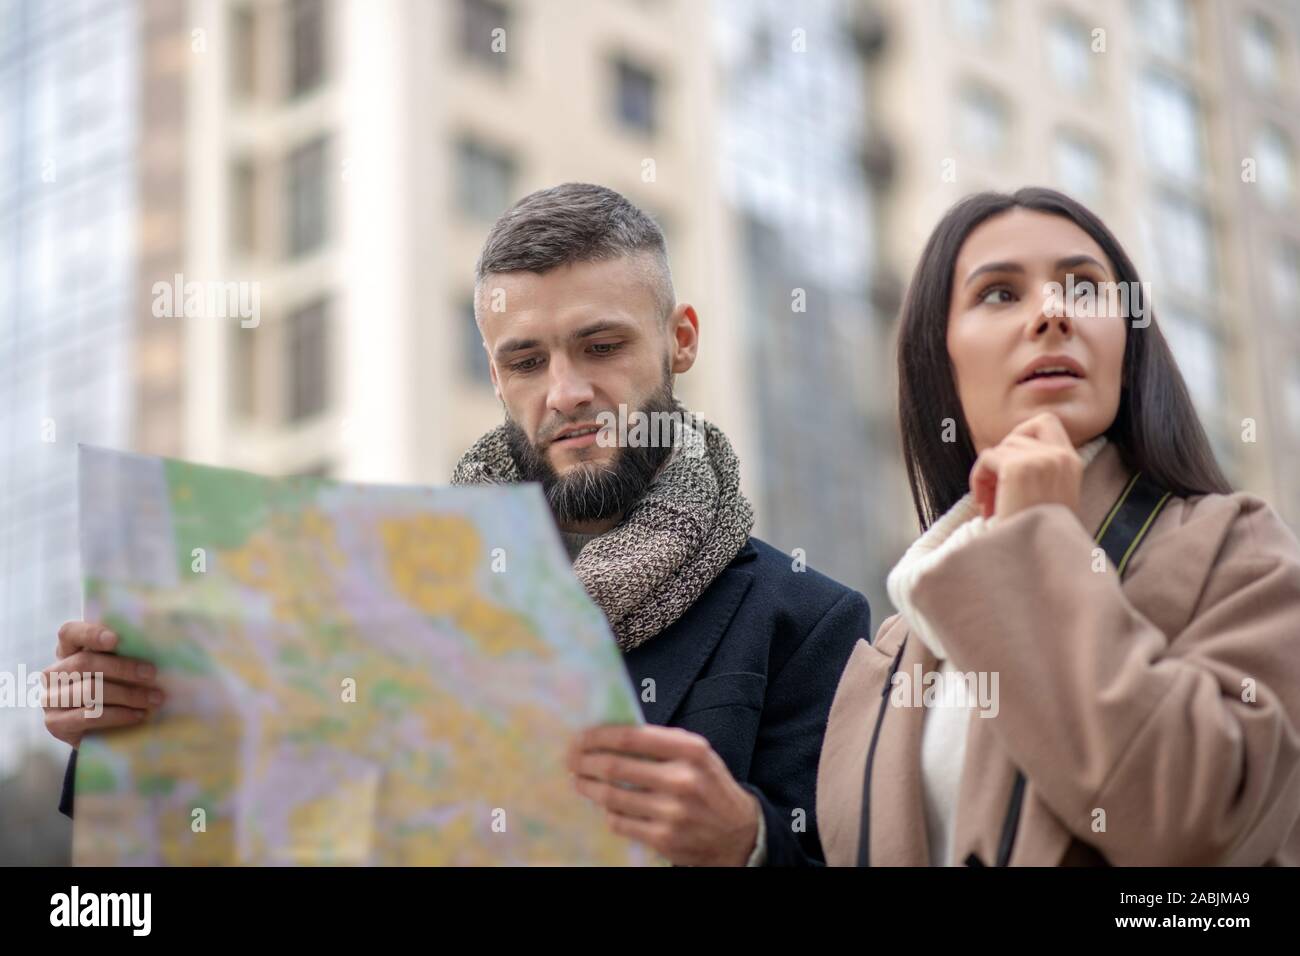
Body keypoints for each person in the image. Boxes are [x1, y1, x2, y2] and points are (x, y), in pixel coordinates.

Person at [45, 183, 870, 867]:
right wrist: (123, 731)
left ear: (679, 340)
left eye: (601, 345)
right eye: (526, 360)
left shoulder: (807, 622)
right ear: (494, 374)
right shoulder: (378, 593)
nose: (566, 390)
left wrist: (750, 844)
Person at [816, 186, 1300, 866]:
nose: (1050, 313)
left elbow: (1196, 820)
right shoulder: (891, 647)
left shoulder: (1239, 552)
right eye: (999, 294)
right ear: (940, 359)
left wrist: (1036, 540)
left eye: (1083, 288)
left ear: (1129, 344)